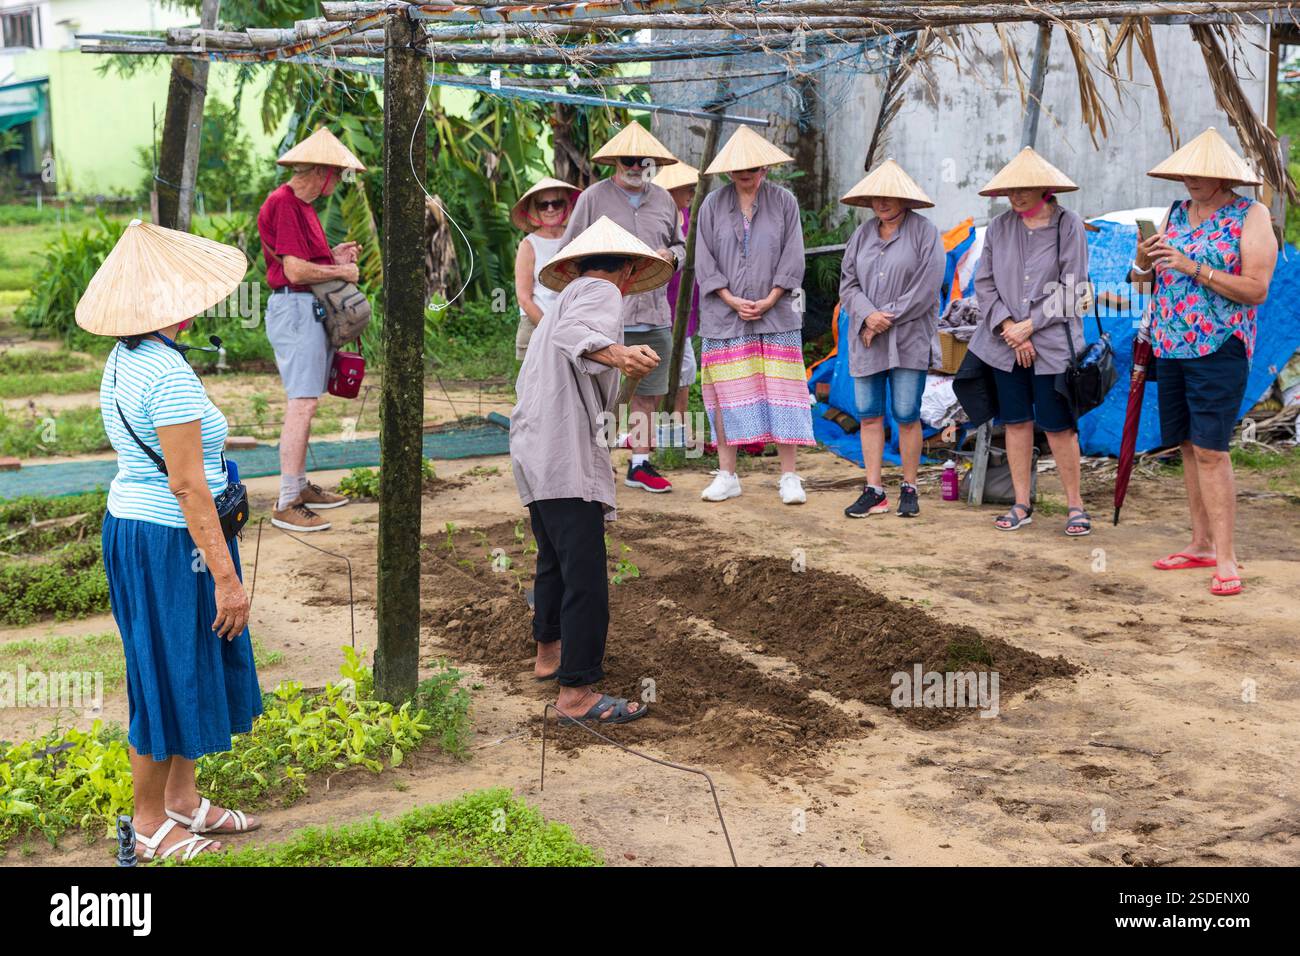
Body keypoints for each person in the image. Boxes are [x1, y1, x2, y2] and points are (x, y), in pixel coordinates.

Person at [75, 220, 263, 862]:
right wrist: (227, 578)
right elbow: (186, 486)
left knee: (188, 658)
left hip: (142, 528)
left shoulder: (126, 357)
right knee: (161, 669)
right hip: (168, 539)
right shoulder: (170, 375)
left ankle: (184, 799)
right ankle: (149, 820)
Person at [510, 216, 673, 723]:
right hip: (563, 450)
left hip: (535, 447)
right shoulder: (600, 294)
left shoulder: (563, 300)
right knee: (585, 573)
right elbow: (581, 338)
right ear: (627, 270)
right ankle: (576, 694)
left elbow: (568, 340)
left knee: (554, 560)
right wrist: (620, 353)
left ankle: (549, 655)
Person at [1134, 127, 1277, 596]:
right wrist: (1144, 262)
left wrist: (1193, 265)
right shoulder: (1175, 213)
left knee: (1213, 449)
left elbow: (1256, 289)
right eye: (1185, 174)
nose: (1190, 181)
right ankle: (1200, 544)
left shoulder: (1250, 215)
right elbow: (1143, 283)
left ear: (1222, 176)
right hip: (1170, 344)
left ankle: (1228, 556)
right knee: (1189, 446)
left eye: (1200, 174)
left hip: (1220, 346)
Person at [969, 146, 1091, 535]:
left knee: (1058, 425)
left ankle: (1075, 506)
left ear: (1045, 189)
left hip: (1053, 344)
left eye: (1026, 189)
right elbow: (984, 283)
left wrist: (1031, 325)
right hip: (1005, 344)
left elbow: (1075, 289)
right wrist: (1010, 327)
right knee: (1016, 422)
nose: (1017, 196)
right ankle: (1021, 503)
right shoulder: (1000, 227)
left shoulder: (1068, 225)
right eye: (1012, 190)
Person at [559, 123, 684, 493]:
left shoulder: (664, 200)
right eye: (628, 159)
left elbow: (680, 245)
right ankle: (591, 464)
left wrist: (672, 256)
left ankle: (640, 464)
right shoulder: (592, 198)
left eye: (643, 160)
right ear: (616, 160)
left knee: (648, 391)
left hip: (655, 313)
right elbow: (569, 252)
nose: (635, 165)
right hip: (604, 317)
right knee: (596, 392)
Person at [694, 126, 814, 505]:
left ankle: (790, 477)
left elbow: (794, 255)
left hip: (776, 315)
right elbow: (704, 260)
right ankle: (727, 474)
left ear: (764, 166)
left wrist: (770, 298)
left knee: (783, 392)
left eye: (753, 165)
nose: (746, 172)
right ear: (728, 170)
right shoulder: (712, 205)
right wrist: (731, 299)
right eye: (738, 167)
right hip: (723, 316)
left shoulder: (784, 202)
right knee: (726, 395)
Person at [256, 128, 366, 532]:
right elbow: (295, 271)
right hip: (295, 309)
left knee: (308, 401)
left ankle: (299, 487)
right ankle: (286, 500)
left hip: (307, 308)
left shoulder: (302, 208)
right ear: (321, 172)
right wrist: (343, 270)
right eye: (336, 175)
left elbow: (303, 260)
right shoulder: (284, 203)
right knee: (301, 403)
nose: (337, 183)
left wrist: (334, 255)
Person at [838, 159, 946, 518]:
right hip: (866, 337)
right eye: (875, 197)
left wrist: (887, 318)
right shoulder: (861, 236)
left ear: (905, 199)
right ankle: (874, 489)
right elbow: (848, 283)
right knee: (869, 414)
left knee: (906, 413)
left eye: (889, 196)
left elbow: (928, 286)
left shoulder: (925, 233)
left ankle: (910, 487)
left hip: (909, 337)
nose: (881, 203)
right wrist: (868, 314)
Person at [511, 176, 580, 360]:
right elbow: (524, 298)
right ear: (536, 210)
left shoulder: (576, 239)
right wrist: (549, 328)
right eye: (544, 205)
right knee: (535, 387)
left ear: (565, 206)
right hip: (536, 324)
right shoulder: (529, 244)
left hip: (573, 324)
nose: (550, 209)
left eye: (556, 203)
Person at [653, 161, 702, 417]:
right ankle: (657, 427)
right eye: (686, 189)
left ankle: (677, 428)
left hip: (685, 303)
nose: (691, 194)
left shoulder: (691, 220)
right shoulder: (658, 220)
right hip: (661, 303)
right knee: (660, 368)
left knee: (684, 368)